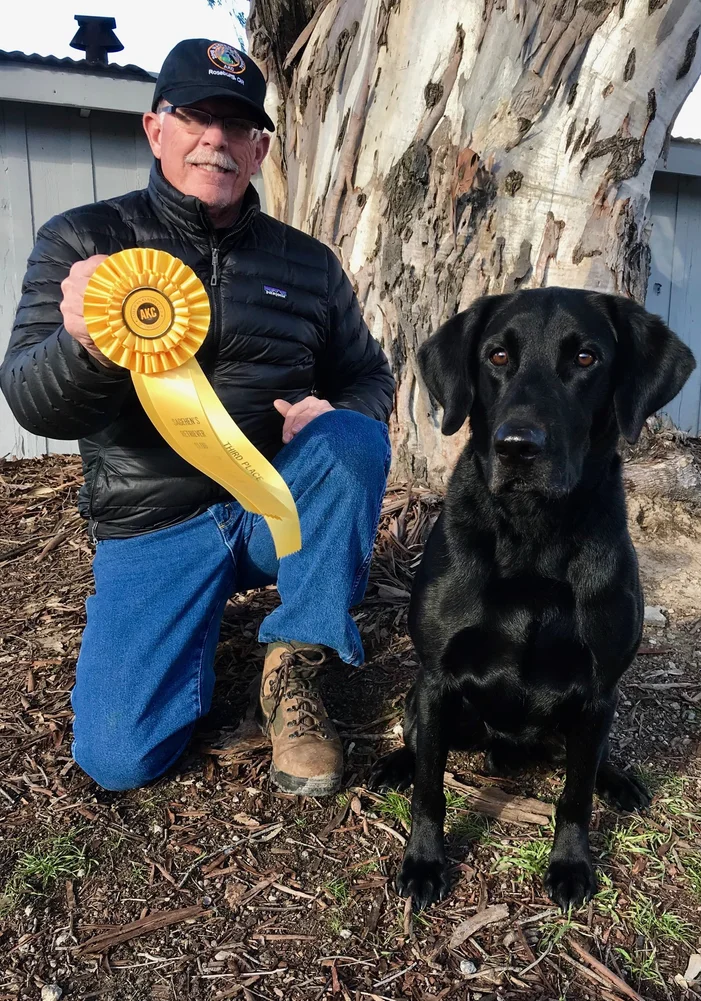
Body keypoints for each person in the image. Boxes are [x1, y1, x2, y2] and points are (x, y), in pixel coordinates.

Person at [0, 39, 394, 798]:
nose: (216, 137)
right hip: (153, 522)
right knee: (120, 757)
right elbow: (29, 398)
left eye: (237, 125)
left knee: (350, 439)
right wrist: (80, 342)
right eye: (195, 116)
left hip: (271, 505)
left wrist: (337, 407)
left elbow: (370, 377)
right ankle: (190, 629)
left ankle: (295, 661)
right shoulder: (82, 242)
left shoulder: (311, 265)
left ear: (261, 150)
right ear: (156, 131)